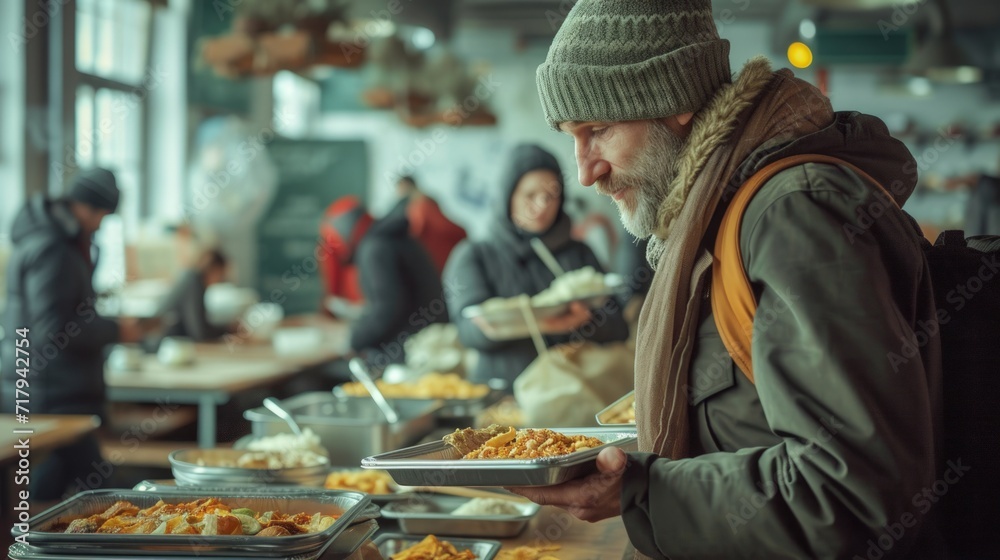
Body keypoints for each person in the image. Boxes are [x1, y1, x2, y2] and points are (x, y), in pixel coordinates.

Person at [510, 2, 945, 559]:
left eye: (599, 130)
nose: (585, 171)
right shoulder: (711, 219)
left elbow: (853, 492)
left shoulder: (793, 212)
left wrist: (644, 490)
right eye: (572, 136)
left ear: (675, 106)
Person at [1, 168, 143, 500]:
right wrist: (116, 329)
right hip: (52, 389)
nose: (100, 226)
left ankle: (31, 533)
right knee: (99, 484)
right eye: (101, 217)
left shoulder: (54, 239)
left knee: (68, 474)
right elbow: (54, 330)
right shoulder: (55, 249)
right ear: (84, 206)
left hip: (52, 384)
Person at [444, 144, 629, 386]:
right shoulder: (474, 255)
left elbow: (619, 327)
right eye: (530, 195)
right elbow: (469, 331)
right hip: (505, 397)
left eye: (550, 195)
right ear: (507, 197)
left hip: (574, 394)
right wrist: (542, 323)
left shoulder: (579, 252)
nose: (541, 206)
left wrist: (583, 322)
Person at [325, 196, 446, 370]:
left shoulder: (375, 248)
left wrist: (354, 341)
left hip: (409, 355)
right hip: (428, 345)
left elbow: (388, 308)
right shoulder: (392, 239)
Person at [384, 175, 467, 275]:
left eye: (400, 188)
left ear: (407, 185)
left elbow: (444, 227)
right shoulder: (415, 205)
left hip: (437, 258)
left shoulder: (421, 205)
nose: (398, 193)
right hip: (434, 260)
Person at [153, 249, 230, 343]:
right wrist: (228, 330)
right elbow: (199, 332)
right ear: (214, 270)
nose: (220, 280)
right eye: (221, 274)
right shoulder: (193, 283)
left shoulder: (192, 279)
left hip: (172, 343)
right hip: (166, 345)